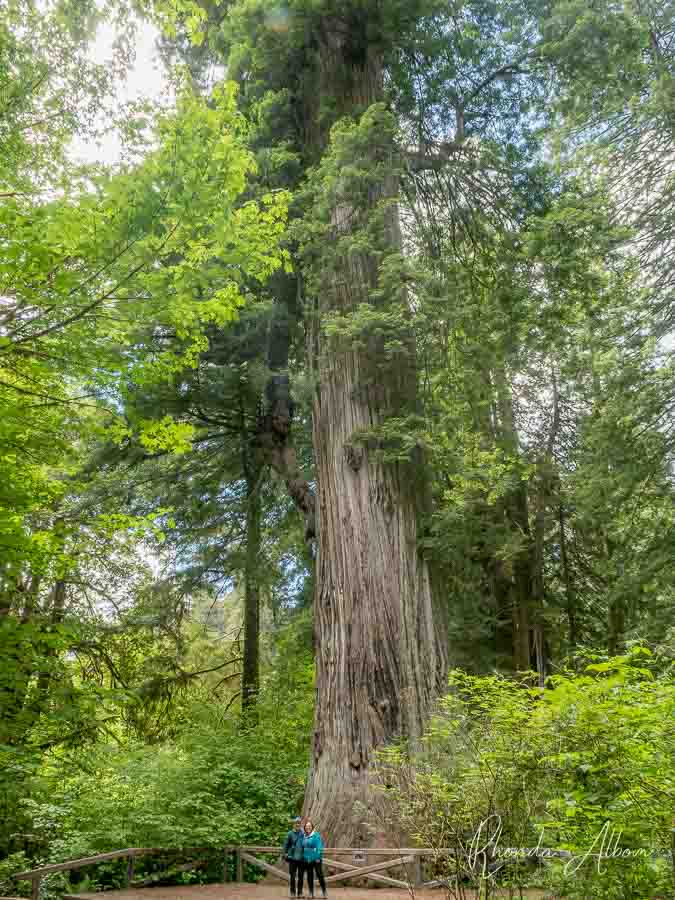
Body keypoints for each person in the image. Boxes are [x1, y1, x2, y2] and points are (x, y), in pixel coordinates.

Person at [300, 819, 327, 900]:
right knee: (309, 876)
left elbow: (319, 847)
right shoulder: (304, 836)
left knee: (319, 875)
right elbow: (302, 847)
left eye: (309, 826)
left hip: (316, 859)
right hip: (306, 859)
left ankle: (324, 892)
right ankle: (311, 893)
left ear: (312, 827)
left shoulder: (316, 835)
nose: (308, 828)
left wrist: (318, 857)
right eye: (306, 826)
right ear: (304, 828)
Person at [283, 816, 305, 898]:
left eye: (299, 823)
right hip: (292, 858)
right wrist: (284, 853)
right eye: (296, 823)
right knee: (292, 876)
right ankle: (292, 893)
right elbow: (285, 845)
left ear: (301, 824)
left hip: (302, 858)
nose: (297, 824)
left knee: (301, 877)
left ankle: (300, 893)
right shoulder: (290, 834)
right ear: (294, 824)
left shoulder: (303, 833)